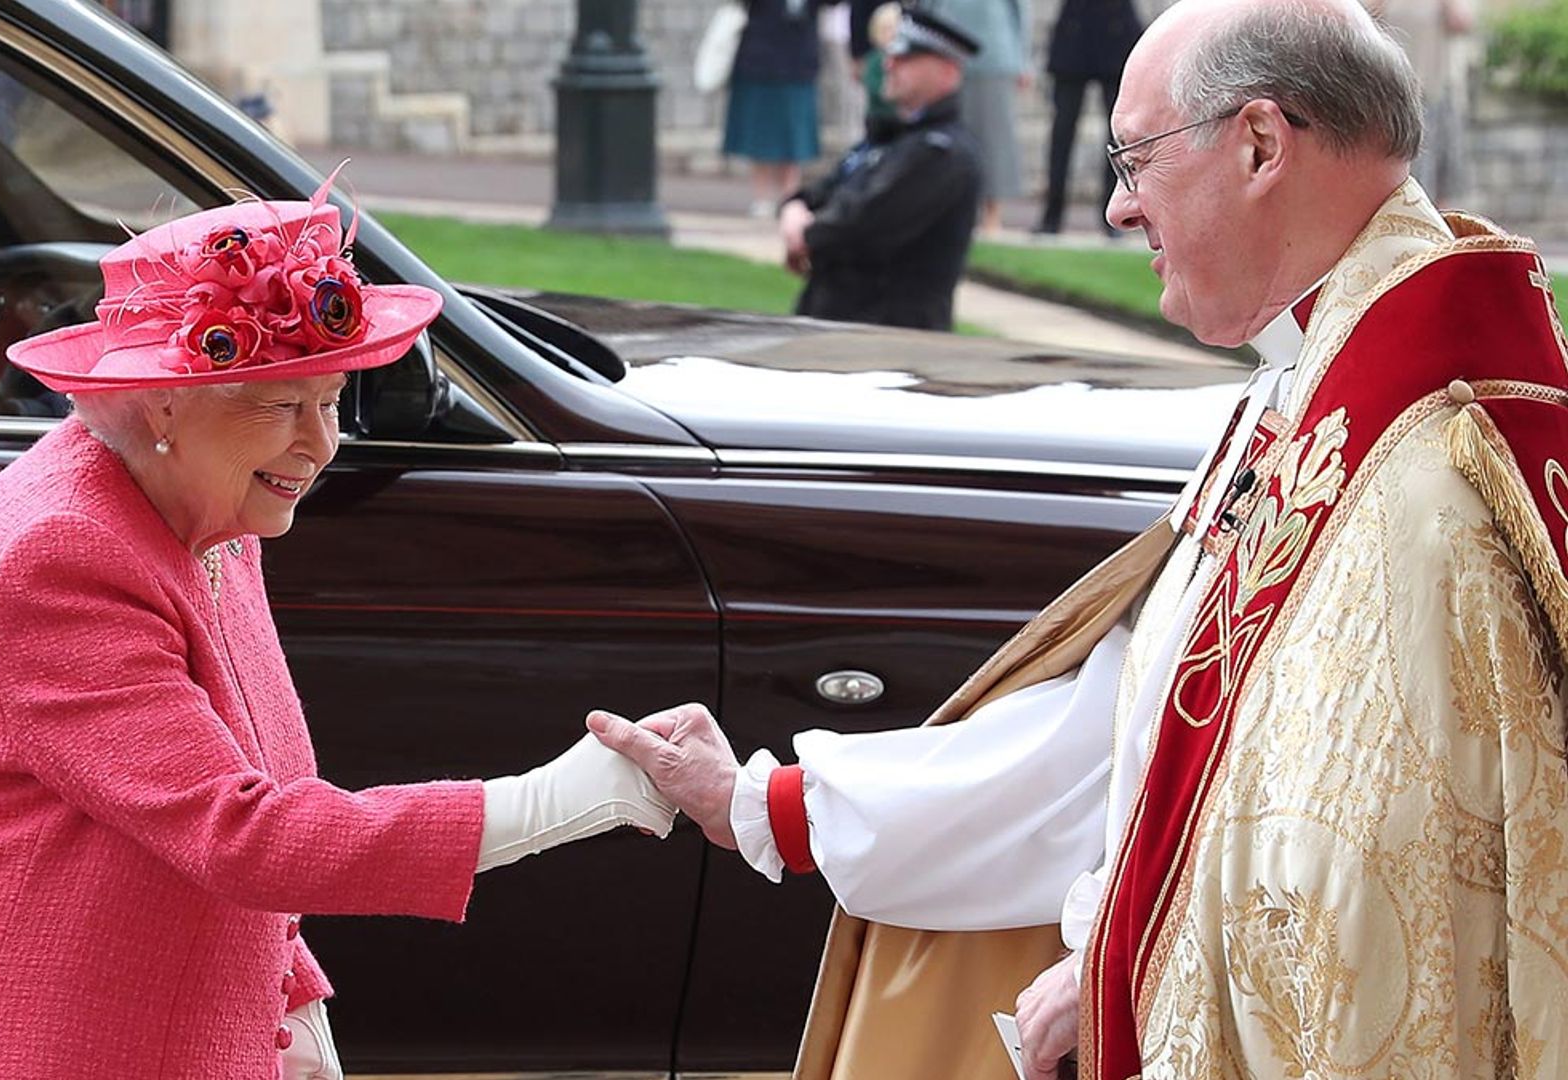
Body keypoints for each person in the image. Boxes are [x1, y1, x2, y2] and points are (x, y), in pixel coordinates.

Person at [593, 1, 1568, 1078]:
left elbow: (1371, 918)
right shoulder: (1318, 388)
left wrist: (1123, 971)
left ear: (1257, 145)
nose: (1115, 207)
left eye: (1136, 158)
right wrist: (766, 804)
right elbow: (1133, 733)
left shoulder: (1420, 485)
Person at [0, 194, 677, 1080]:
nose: (320, 446)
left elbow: (249, 780)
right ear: (165, 405)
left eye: (331, 400)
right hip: (31, 1039)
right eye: (284, 406)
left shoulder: (210, 514)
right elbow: (239, 829)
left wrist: (289, 992)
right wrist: (552, 801)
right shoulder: (61, 553)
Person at [779, 4, 981, 331]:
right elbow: (823, 191)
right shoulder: (890, 139)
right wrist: (795, 208)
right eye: (890, 55)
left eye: (906, 59)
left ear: (947, 72)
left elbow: (861, 225)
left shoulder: (942, 154)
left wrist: (805, 233)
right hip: (842, 328)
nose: (889, 64)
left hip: (887, 339)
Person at [1033, 0, 1143, 236]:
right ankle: (1052, 213)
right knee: (1062, 131)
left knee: (1117, 134)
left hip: (1115, 32)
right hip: (1076, 33)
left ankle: (1111, 214)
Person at [727, 0, 842, 218]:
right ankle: (761, 197)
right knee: (758, 133)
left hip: (799, 63)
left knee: (794, 135)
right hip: (759, 60)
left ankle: (789, 196)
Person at [1365, 0, 1476, 202]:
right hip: (1392, 99)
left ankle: (1438, 230)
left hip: (1434, 95)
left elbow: (1461, 22)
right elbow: (1363, 21)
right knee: (1397, 175)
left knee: (1440, 177)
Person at [938, 0, 1030, 235]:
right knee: (948, 141)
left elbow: (1020, 10)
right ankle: (950, 213)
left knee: (994, 143)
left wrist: (1023, 61)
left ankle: (992, 214)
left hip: (993, 57)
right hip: (947, 54)